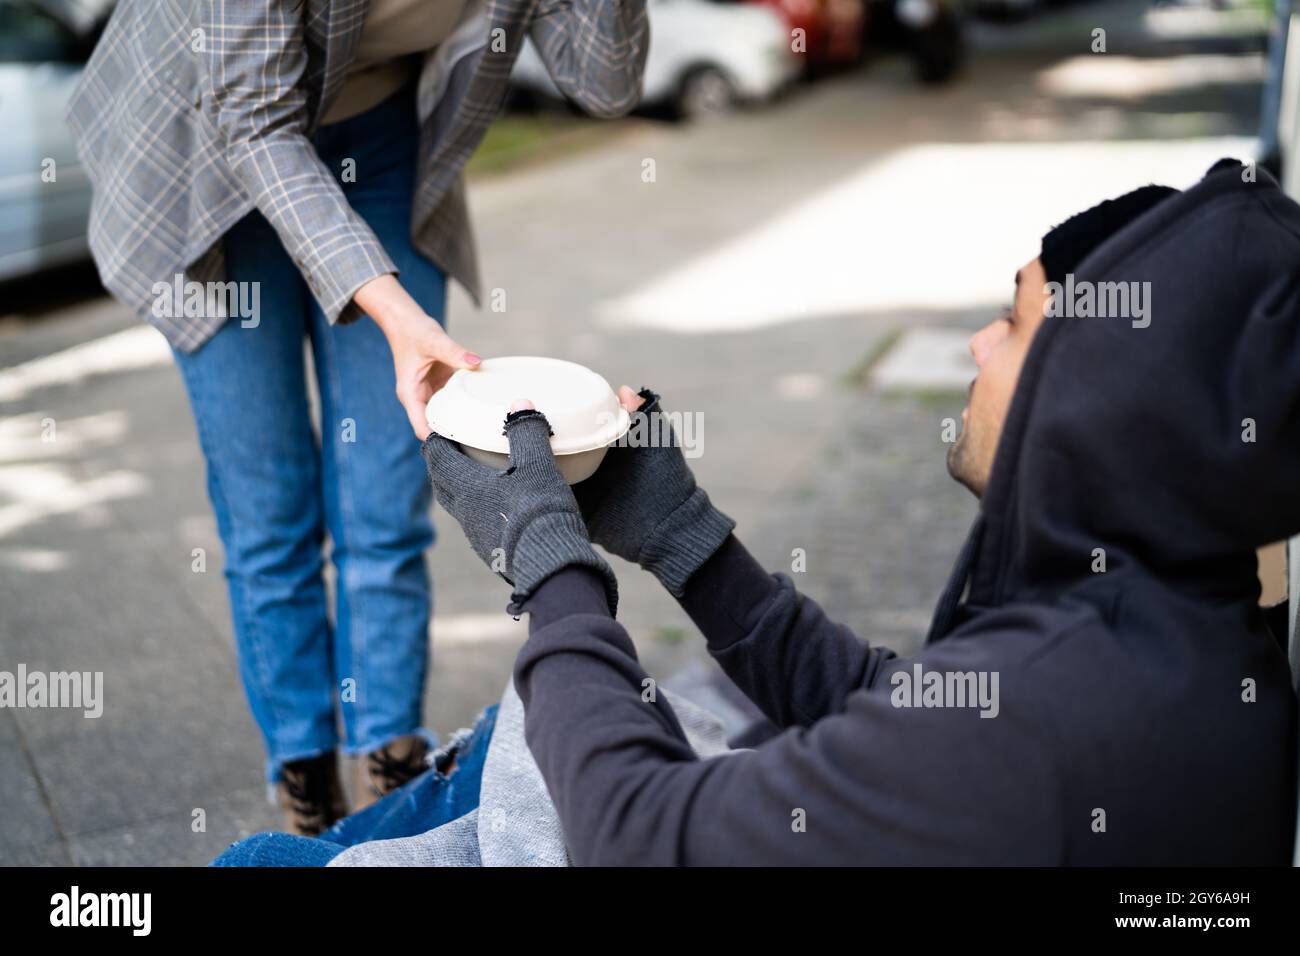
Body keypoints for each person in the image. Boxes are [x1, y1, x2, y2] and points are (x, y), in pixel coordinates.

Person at [216, 159, 1300, 865]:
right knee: (512, 741)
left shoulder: (1053, 725)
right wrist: (692, 546)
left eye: (1013, 324)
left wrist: (547, 560)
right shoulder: (1177, 633)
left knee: (256, 865)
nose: (975, 344)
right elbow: (906, 705)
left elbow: (637, 839)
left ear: (1102, 393)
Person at [67, 0, 648, 835]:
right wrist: (393, 313)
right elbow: (253, 121)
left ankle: (392, 776)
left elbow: (606, 83)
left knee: (387, 497)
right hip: (209, 155)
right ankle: (305, 778)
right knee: (269, 505)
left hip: (377, 145)